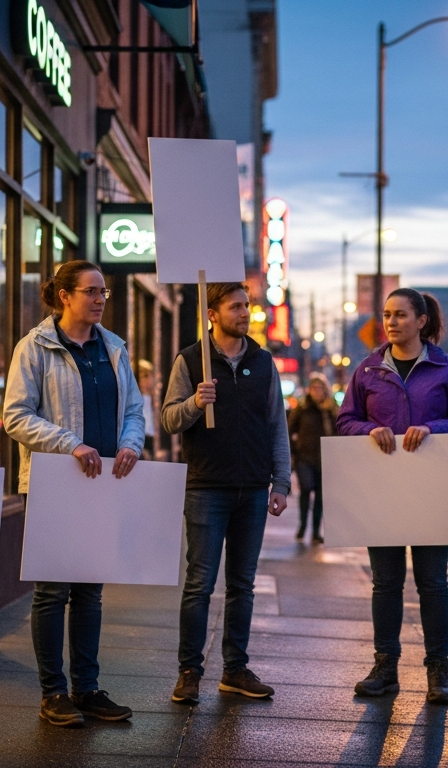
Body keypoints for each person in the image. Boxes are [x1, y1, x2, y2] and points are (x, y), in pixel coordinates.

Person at [4, 260, 144, 729]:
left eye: (104, 291)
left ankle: (86, 689)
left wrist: (130, 444)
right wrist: (71, 444)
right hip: (55, 485)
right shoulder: (36, 347)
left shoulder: (115, 349)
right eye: (91, 291)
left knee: (90, 592)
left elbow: (135, 410)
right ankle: (53, 693)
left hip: (104, 485)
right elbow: (15, 417)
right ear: (64, 296)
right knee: (51, 592)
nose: (101, 298)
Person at [336, 287, 448, 705]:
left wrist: (435, 428)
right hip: (383, 493)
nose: (392, 322)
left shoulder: (446, 369)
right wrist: (369, 430)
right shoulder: (367, 370)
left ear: (421, 321)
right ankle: (386, 667)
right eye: (387, 314)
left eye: (401, 315)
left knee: (433, 583)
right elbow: (345, 421)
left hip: (431, 491)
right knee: (386, 583)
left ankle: (438, 671)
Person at [161, 282, 291, 704]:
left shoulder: (263, 362)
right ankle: (189, 672)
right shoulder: (190, 360)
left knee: (242, 585)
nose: (245, 313)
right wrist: (196, 403)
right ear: (212, 313)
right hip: (206, 489)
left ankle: (235, 669)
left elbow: (276, 426)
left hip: (253, 489)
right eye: (236, 306)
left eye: (247, 306)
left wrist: (282, 482)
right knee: (199, 583)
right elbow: (168, 420)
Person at [287, 373, 337, 544]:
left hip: (326, 459)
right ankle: (302, 526)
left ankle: (316, 531)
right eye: (314, 388)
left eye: (320, 388)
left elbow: (339, 431)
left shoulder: (330, 410)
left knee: (321, 496)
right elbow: (289, 430)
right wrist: (294, 451)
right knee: (306, 489)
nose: (317, 391)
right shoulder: (302, 408)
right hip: (304, 458)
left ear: (325, 390)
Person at [137, 359, 157, 458]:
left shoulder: (153, 399)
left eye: (149, 375)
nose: (148, 380)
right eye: (144, 376)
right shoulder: (135, 399)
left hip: (151, 439)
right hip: (141, 438)